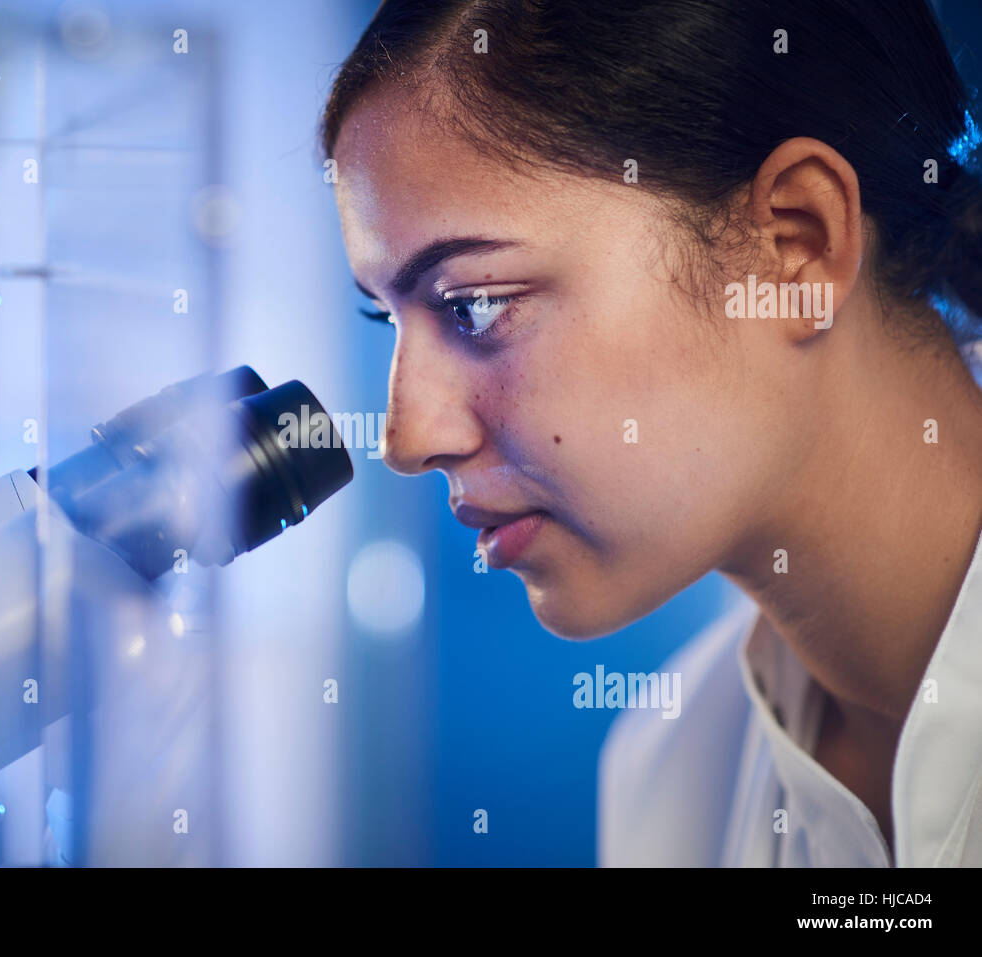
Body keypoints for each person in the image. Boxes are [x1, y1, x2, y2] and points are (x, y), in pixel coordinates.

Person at [319, 0, 982, 866]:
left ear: (798, 244)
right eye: (388, 321)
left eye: (475, 304)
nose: (407, 439)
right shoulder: (666, 768)